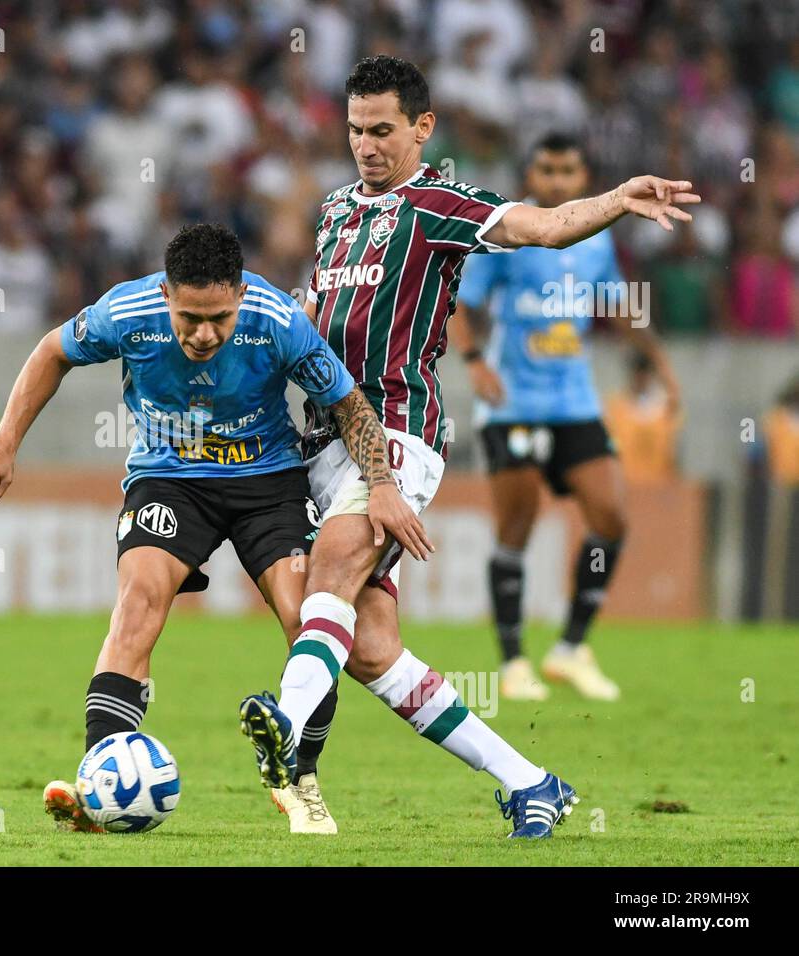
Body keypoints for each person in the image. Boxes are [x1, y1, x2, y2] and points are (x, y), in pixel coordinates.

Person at [240, 56, 699, 838]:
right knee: (374, 651)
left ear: (423, 128)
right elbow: (311, 308)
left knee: (336, 564)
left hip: (397, 433)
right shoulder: (334, 213)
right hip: (321, 439)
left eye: (382, 130)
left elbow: (545, 228)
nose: (366, 145)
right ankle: (530, 782)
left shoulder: (439, 203)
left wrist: (617, 201)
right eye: (354, 130)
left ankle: (284, 721)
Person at [0, 223, 424, 834]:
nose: (205, 334)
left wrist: (385, 485)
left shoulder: (277, 319)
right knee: (138, 604)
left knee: (307, 620)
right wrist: (3, 445)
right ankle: (98, 783)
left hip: (268, 484)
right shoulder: (126, 311)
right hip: (170, 480)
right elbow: (52, 350)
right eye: (189, 318)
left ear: (240, 295)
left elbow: (348, 403)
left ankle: (300, 779)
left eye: (220, 318)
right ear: (166, 298)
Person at [448, 132, 682, 701]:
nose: (556, 181)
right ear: (532, 177)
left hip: (574, 404)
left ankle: (571, 647)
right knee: (517, 528)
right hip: (514, 406)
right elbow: (461, 304)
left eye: (567, 171)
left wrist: (661, 368)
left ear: (583, 178)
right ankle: (513, 662)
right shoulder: (509, 236)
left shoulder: (596, 243)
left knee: (610, 518)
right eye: (547, 171)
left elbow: (619, 309)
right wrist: (475, 362)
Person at [605, 352, 682, 486]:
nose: (641, 377)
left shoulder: (667, 409)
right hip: (625, 485)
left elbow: (675, 454)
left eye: (645, 371)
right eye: (638, 371)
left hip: (660, 486)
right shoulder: (615, 408)